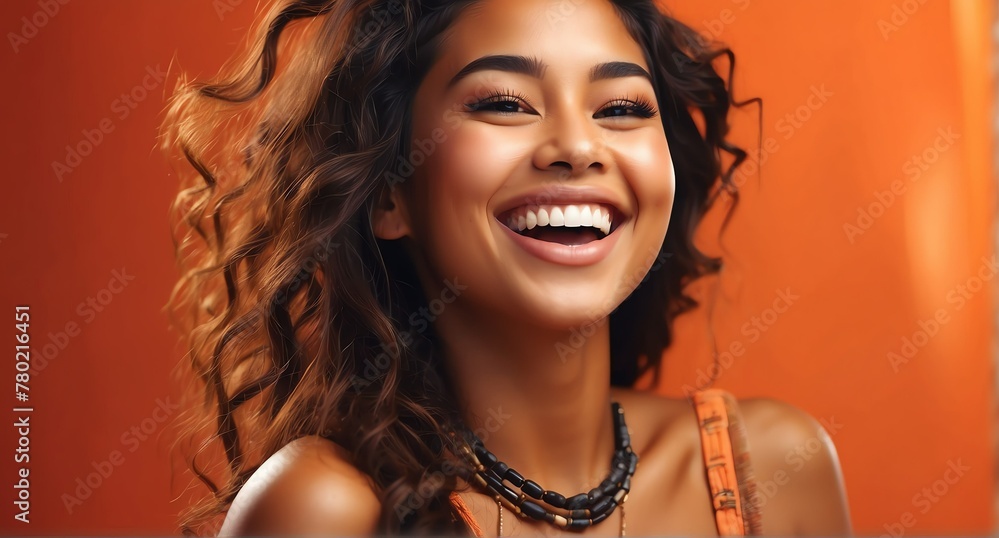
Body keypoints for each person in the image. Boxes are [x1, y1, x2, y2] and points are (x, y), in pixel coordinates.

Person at [160, 0, 852, 535]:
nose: (578, 146)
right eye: (504, 103)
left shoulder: (774, 469)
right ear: (389, 191)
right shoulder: (325, 510)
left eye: (620, 108)